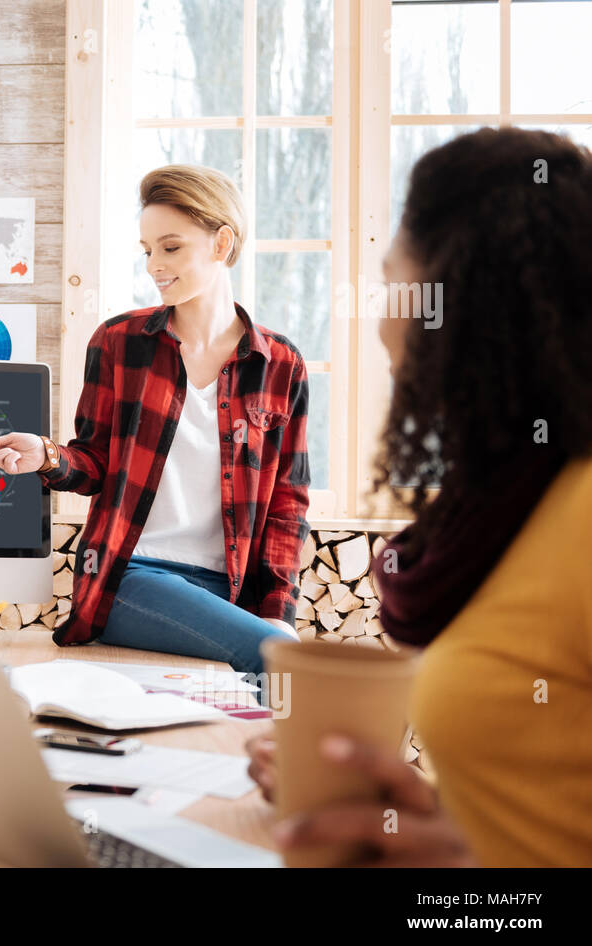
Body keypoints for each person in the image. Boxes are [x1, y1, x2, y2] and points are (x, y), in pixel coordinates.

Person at [248, 127, 592, 866]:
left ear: (455, 303)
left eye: (386, 283)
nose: (378, 326)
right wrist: (427, 821)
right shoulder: (513, 502)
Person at [0, 164, 309, 675]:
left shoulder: (281, 365)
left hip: (230, 589)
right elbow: (93, 463)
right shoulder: (118, 342)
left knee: (271, 678)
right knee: (285, 664)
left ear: (222, 244)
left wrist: (278, 613)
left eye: (171, 247)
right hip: (131, 577)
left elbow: (288, 503)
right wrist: (46, 455)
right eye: (148, 249)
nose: (154, 265)